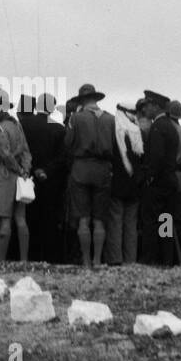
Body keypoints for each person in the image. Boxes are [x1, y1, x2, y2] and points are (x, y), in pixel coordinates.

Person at [63, 83, 115, 268]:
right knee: (100, 219)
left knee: (83, 218)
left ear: (81, 100)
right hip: (103, 170)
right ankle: (98, 259)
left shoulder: (76, 118)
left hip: (81, 168)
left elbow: (68, 143)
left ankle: (85, 260)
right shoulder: (111, 119)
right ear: (96, 99)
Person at [0, 91, 33, 264]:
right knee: (20, 219)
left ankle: (0, 260)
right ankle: (24, 260)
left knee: (4, 220)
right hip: (21, 178)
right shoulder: (17, 126)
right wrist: (25, 170)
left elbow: (4, 154)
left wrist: (18, 169)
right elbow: (26, 152)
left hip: (3, 175)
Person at [18, 93, 66, 262]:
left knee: (28, 217)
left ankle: (29, 255)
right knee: (49, 218)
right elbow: (62, 157)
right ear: (52, 108)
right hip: (50, 181)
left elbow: (20, 150)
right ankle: (50, 257)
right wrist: (45, 170)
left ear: (37, 106)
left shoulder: (23, 124)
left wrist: (31, 168)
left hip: (26, 178)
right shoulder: (60, 129)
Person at [141, 99, 181, 265]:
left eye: (148, 105)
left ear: (156, 106)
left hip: (158, 183)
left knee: (150, 221)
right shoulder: (170, 126)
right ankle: (167, 257)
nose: (146, 109)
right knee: (166, 220)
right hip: (169, 181)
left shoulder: (158, 126)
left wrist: (150, 177)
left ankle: (150, 257)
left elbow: (156, 156)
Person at [107, 102, 145, 265]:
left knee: (116, 224)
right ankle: (131, 260)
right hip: (134, 185)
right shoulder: (138, 131)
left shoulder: (114, 130)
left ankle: (115, 259)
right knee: (131, 226)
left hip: (116, 184)